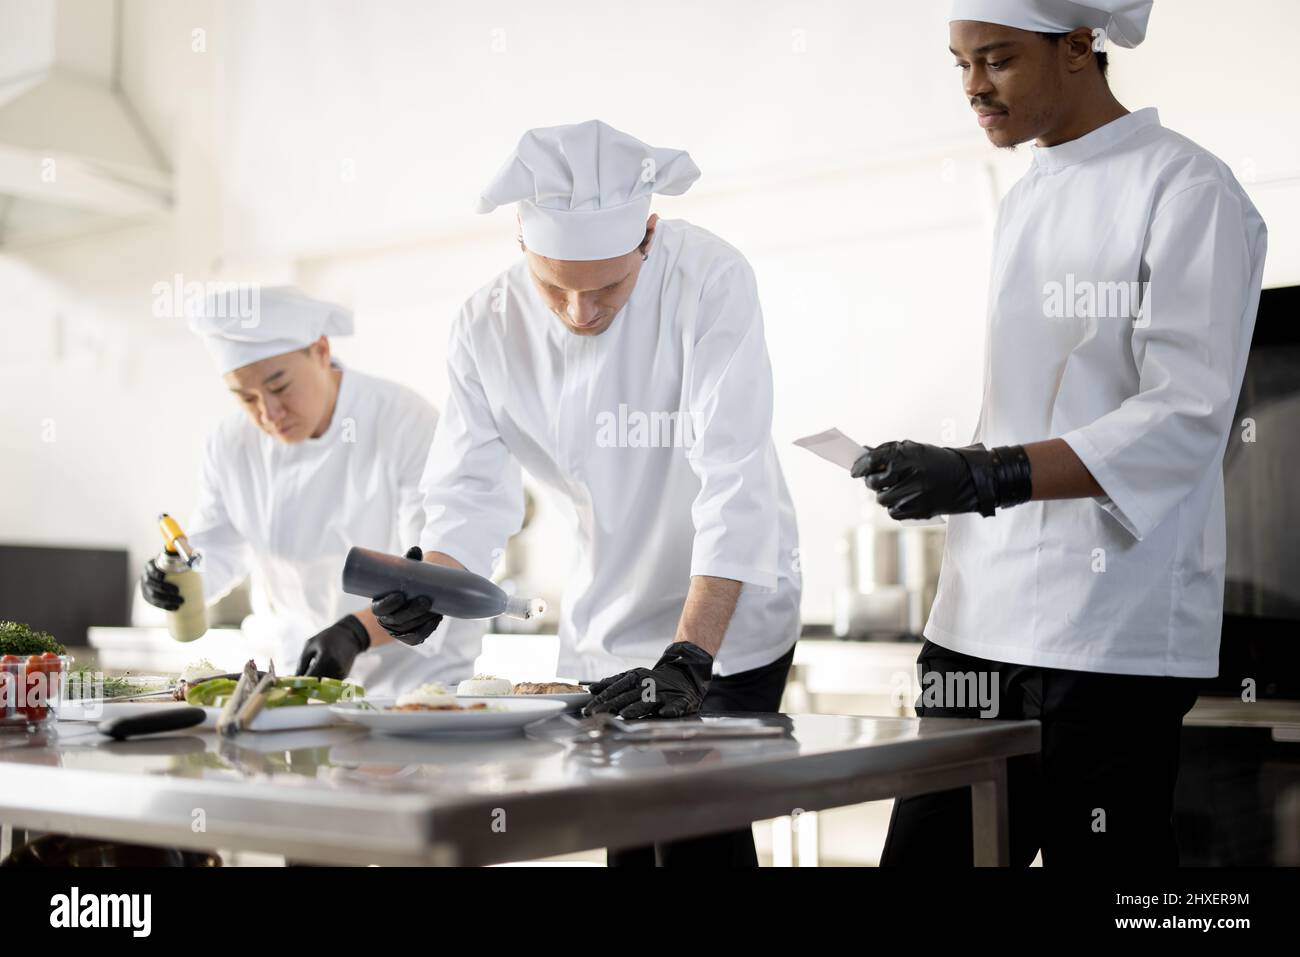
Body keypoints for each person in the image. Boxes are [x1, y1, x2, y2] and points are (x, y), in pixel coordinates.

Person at [860, 0, 1267, 865]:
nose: (974, 88)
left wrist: (987, 474)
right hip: (977, 619)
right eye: (961, 63)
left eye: (997, 60)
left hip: (1109, 635)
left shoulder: (1187, 188)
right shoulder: (1028, 196)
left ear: (1079, 48)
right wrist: (948, 470)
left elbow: (1184, 415)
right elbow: (1032, 401)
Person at [370, 120, 802, 866]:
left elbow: (734, 479)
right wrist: (428, 585)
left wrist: (691, 656)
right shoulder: (484, 325)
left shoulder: (709, 280)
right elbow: (470, 498)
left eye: (607, 287)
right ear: (521, 245)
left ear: (648, 236)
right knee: (626, 836)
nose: (580, 312)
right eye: (555, 286)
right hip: (608, 620)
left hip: (725, 627)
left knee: (695, 833)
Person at [139, 287, 480, 695]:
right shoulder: (230, 444)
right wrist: (174, 574)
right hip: (293, 675)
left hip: (411, 682)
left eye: (280, 387)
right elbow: (218, 548)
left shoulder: (403, 421)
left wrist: (355, 632)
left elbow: (430, 569)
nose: (268, 414)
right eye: (246, 398)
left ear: (320, 351)